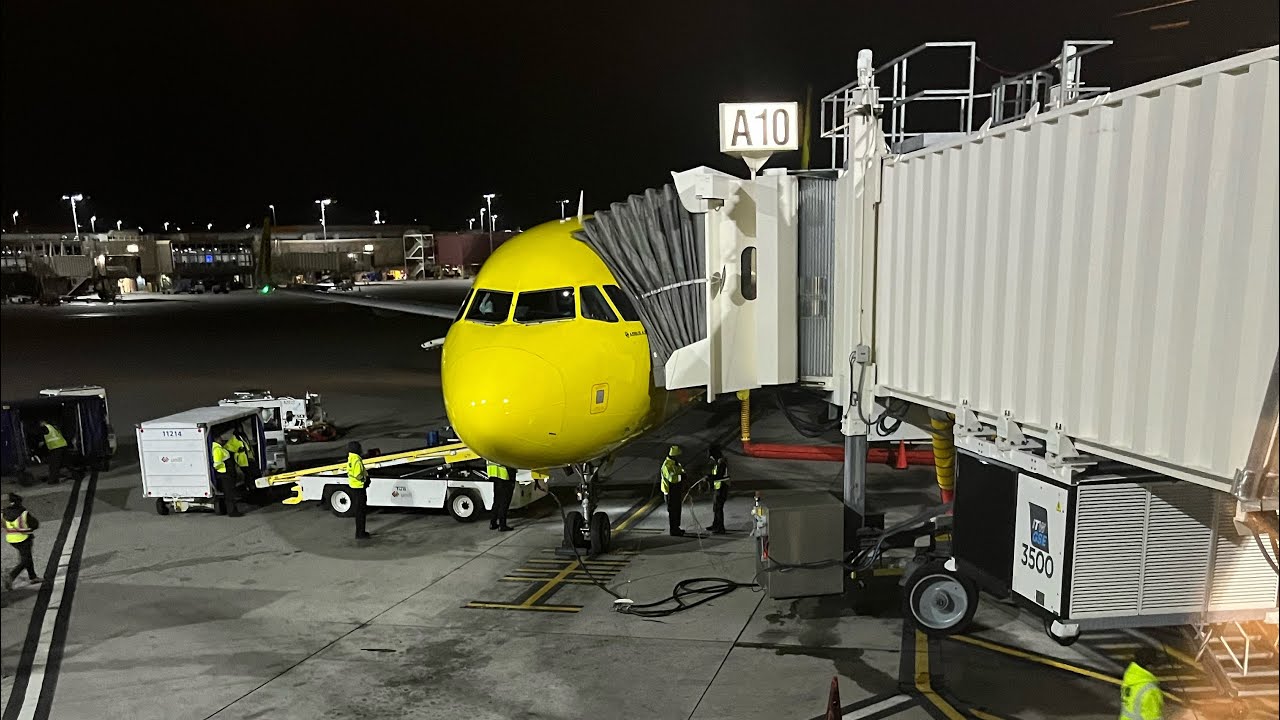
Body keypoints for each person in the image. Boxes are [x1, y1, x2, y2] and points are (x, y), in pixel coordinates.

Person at [4, 493, 43, 586]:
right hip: (23, 538)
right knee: (25, 560)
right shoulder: (24, 513)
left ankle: (33, 577)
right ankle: (11, 576)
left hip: (11, 539)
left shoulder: (4, 512)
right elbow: (35, 524)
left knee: (27, 557)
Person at [1120, 648, 1164, 720]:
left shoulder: (1131, 678)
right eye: (1155, 665)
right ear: (1148, 665)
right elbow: (1153, 717)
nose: (1157, 668)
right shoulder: (1150, 689)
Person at [211, 432, 241, 517]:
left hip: (225, 473)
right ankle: (232, 512)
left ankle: (228, 510)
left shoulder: (219, 447)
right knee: (229, 494)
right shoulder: (217, 449)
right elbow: (217, 464)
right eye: (220, 438)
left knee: (228, 494)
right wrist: (224, 467)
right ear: (216, 439)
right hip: (224, 474)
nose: (221, 439)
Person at [347, 441, 371, 540]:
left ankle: (359, 532)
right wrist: (365, 480)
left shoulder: (351, 458)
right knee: (361, 511)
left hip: (354, 486)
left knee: (358, 512)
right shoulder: (356, 459)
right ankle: (361, 533)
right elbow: (358, 474)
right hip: (359, 487)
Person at [661, 444, 686, 537]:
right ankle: (674, 530)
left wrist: (683, 474)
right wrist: (681, 476)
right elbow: (672, 478)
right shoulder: (667, 465)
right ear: (674, 455)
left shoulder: (675, 463)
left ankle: (677, 528)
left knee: (677, 510)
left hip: (676, 490)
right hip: (670, 492)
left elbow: (681, 470)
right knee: (673, 511)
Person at [705, 445, 730, 534]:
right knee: (716, 508)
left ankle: (720, 528)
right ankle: (716, 524)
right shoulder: (718, 462)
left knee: (719, 508)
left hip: (722, 488)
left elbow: (719, 475)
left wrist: (709, 477)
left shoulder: (721, 463)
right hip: (718, 487)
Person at [487, 461, 516, 531]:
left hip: (493, 473)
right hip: (504, 475)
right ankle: (502, 525)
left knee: (497, 500)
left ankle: (493, 523)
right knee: (504, 502)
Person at [39, 419, 69, 485]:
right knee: (56, 463)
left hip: (56, 447)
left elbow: (43, 437)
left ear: (43, 422)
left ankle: (52, 480)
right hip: (60, 446)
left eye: (40, 423)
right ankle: (55, 478)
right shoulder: (52, 427)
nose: (40, 425)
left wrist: (41, 443)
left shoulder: (46, 427)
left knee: (53, 464)